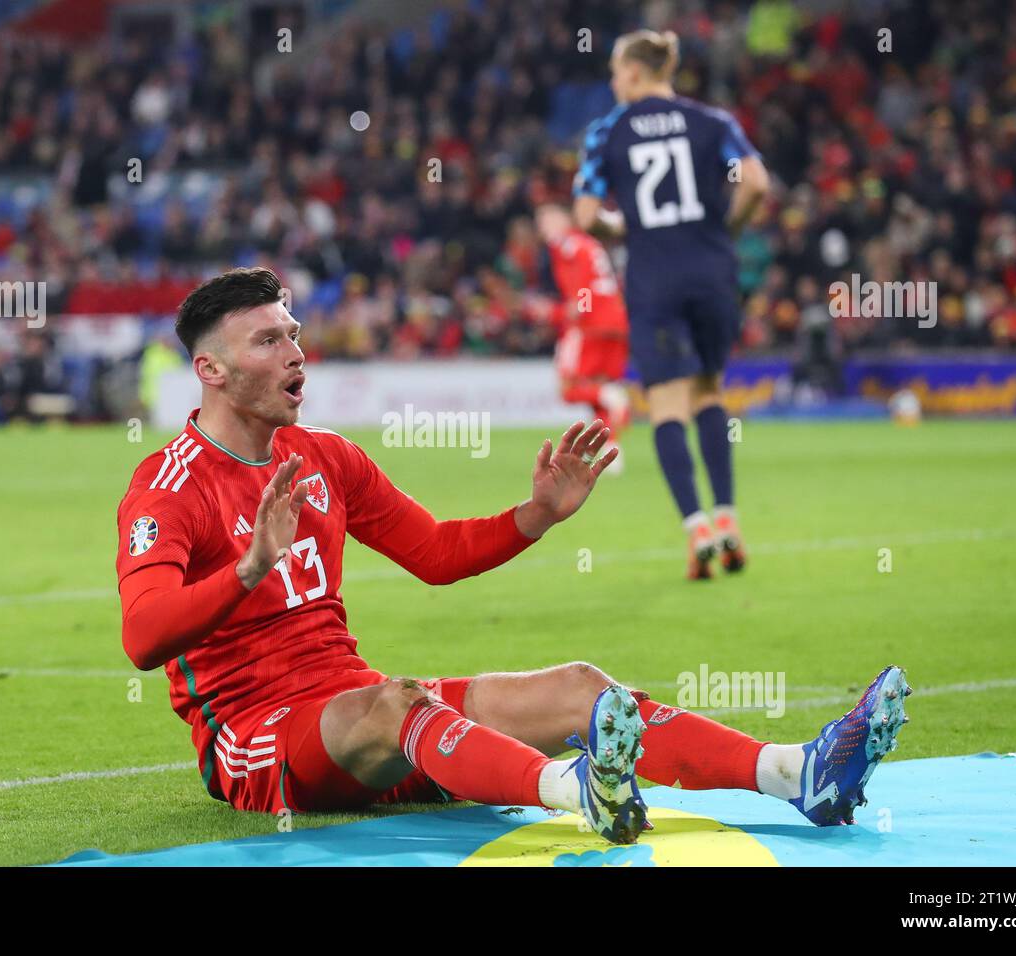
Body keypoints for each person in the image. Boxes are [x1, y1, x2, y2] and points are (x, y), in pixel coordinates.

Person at [115, 267, 908, 845]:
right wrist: (249, 567)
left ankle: (799, 774)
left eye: (293, 332)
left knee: (585, 692)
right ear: (210, 370)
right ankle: (577, 793)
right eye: (269, 339)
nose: (297, 353)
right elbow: (144, 638)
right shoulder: (167, 488)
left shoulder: (325, 456)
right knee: (397, 705)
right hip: (257, 741)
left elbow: (432, 552)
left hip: (359, 712)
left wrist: (534, 516)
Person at [573, 30, 770, 579]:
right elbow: (755, 181)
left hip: (654, 279)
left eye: (615, 72)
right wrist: (725, 228)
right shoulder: (714, 122)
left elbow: (588, 217)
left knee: (665, 406)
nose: (614, 82)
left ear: (634, 72)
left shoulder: (606, 132)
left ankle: (697, 530)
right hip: (712, 273)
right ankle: (729, 520)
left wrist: (624, 227)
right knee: (710, 393)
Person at [535, 202, 631, 474]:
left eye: (545, 222)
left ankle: (611, 394)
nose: (542, 230)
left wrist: (565, 311)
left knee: (570, 388)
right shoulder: (590, 244)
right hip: (616, 321)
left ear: (559, 221)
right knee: (597, 392)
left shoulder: (567, 244)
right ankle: (613, 449)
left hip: (591, 325)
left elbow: (581, 294)